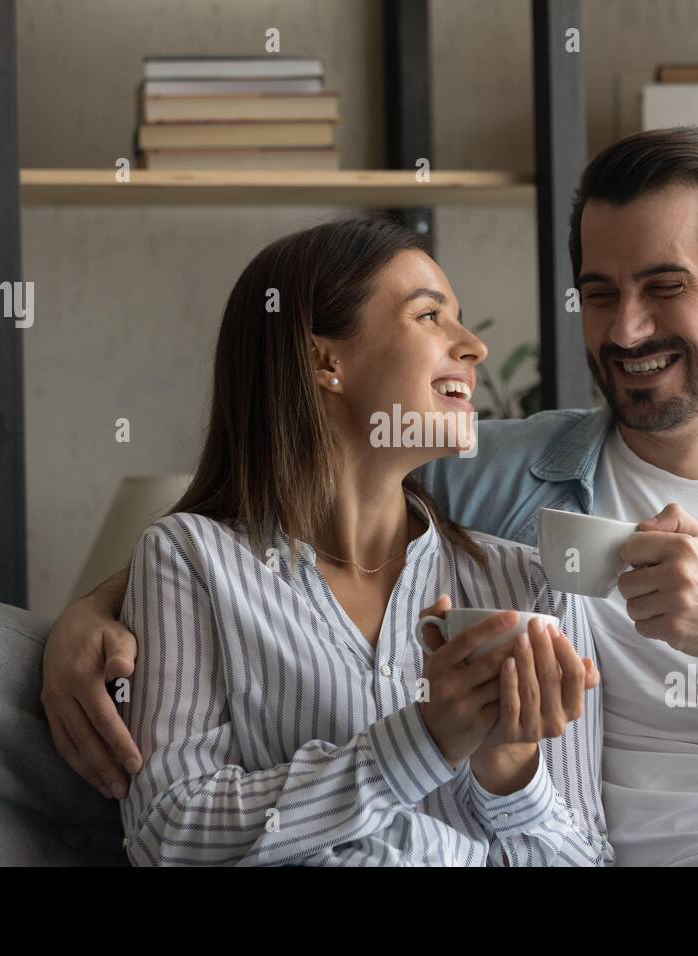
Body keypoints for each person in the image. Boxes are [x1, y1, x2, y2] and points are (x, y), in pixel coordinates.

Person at [44, 126, 698, 867]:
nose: (625, 329)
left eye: (663, 288)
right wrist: (92, 609)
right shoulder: (489, 476)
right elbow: (299, 499)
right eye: (598, 291)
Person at [73, 217, 611, 866]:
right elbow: (168, 830)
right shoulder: (190, 560)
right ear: (326, 361)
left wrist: (512, 772)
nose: (473, 346)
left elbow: (587, 858)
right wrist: (423, 742)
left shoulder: (534, 586)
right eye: (430, 316)